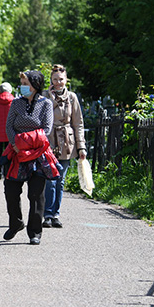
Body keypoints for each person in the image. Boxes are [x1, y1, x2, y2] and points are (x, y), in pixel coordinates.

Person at [2, 70, 59, 246]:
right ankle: (16, 223)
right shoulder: (16, 103)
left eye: (26, 84)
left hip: (38, 155)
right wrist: (15, 144)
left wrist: (24, 143)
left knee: (36, 195)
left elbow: (46, 130)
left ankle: (35, 232)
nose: (22, 87)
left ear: (35, 85)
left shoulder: (46, 104)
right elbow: (9, 126)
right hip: (16, 153)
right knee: (11, 191)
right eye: (22, 84)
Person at [43, 64, 87, 228]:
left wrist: (81, 147)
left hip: (67, 143)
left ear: (66, 79)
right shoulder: (44, 96)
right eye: (55, 79)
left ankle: (56, 214)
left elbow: (78, 123)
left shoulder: (72, 98)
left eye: (61, 79)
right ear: (51, 80)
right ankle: (47, 214)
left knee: (60, 180)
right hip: (49, 142)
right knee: (50, 180)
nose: (58, 82)